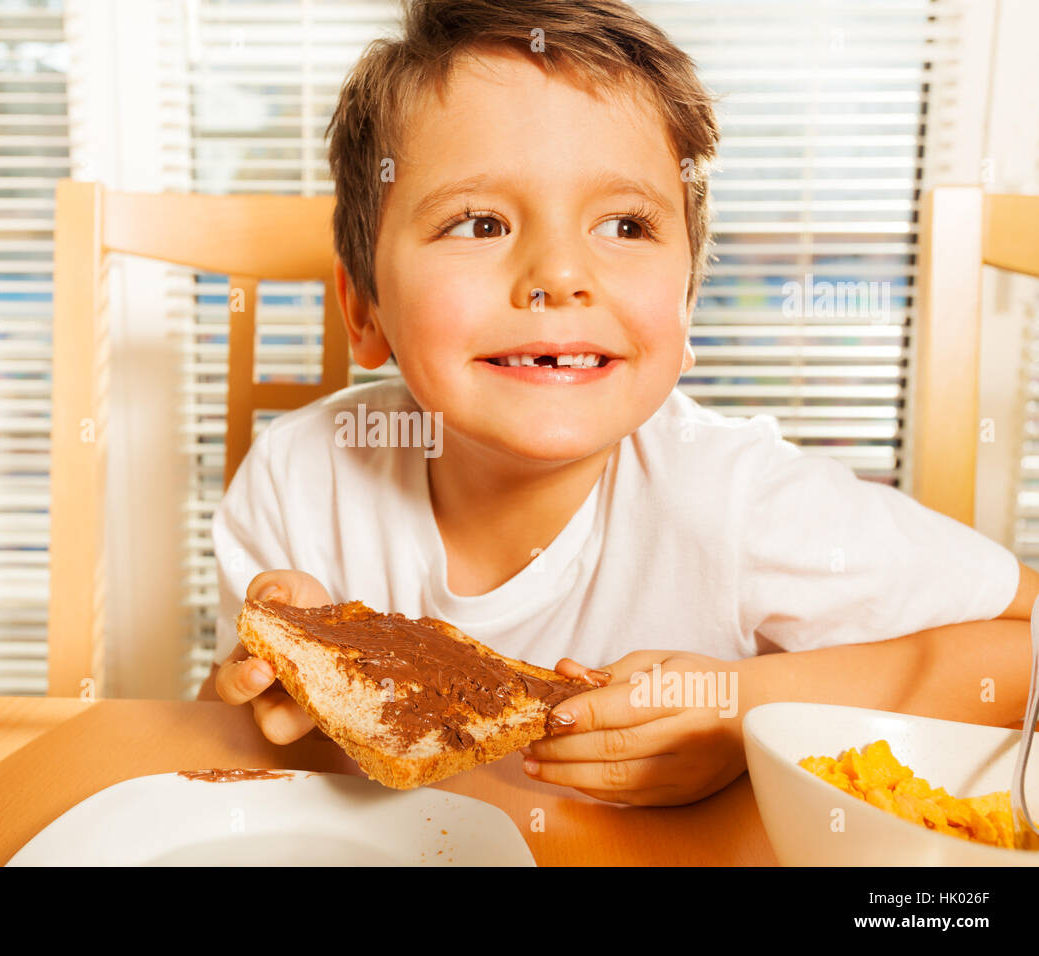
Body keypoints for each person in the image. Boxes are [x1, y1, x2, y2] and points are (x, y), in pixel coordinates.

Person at [199, 0, 1039, 806]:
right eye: (479, 223)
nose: (560, 274)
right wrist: (268, 699)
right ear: (364, 310)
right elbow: (219, 751)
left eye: (627, 225)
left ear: (685, 301)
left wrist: (748, 708)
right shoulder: (298, 481)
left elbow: (1022, 644)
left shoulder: (736, 498)